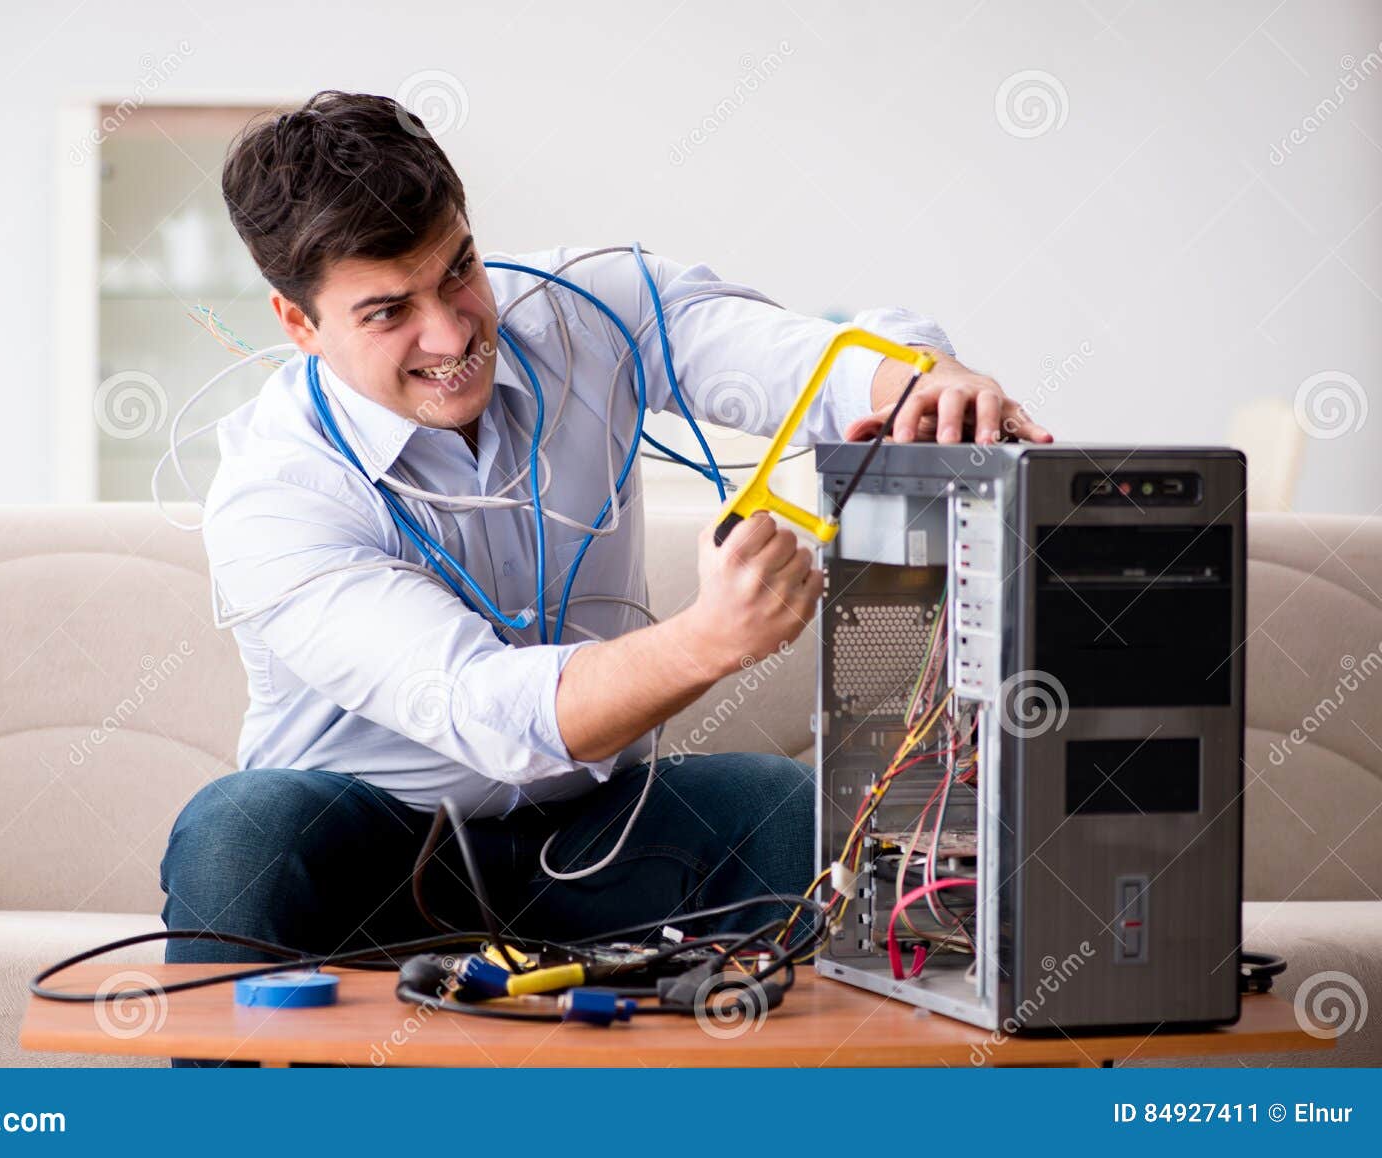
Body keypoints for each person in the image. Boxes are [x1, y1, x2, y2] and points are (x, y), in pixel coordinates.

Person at [159, 90, 1050, 976]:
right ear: (298, 324)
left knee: (783, 811)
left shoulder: (584, 309)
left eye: (459, 270)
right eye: (389, 312)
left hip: (594, 835)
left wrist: (917, 381)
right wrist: (710, 641)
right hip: (377, 851)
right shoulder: (275, 496)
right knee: (240, 831)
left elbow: (792, 356)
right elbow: (483, 708)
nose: (453, 332)